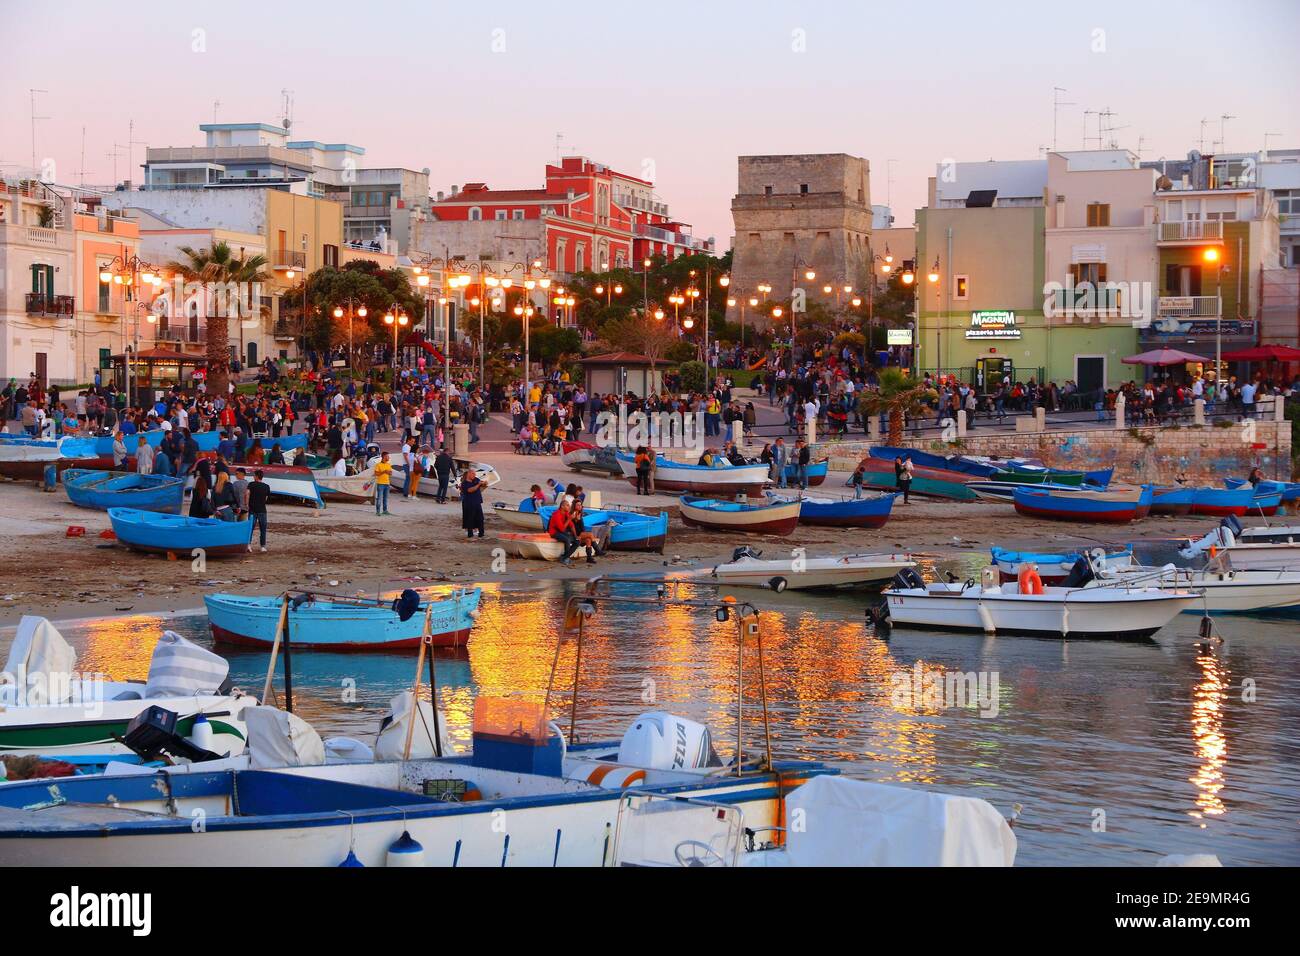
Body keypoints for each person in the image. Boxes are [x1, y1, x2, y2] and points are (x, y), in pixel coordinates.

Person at [546, 497, 582, 567]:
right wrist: (569, 519)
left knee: (577, 541)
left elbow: (571, 526)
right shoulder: (557, 514)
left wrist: (575, 536)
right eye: (567, 505)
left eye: (569, 505)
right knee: (567, 539)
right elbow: (562, 529)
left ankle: (564, 557)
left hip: (562, 532)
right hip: (554, 533)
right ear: (562, 506)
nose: (569, 507)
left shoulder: (566, 513)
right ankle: (565, 559)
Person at [247, 469, 271, 552]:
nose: (253, 477)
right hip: (262, 510)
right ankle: (262, 546)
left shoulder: (251, 484)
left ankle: (248, 545)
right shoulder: (266, 486)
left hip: (252, 509)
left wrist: (247, 504)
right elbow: (266, 498)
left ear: (256, 476)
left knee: (250, 528)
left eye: (254, 475)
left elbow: (247, 493)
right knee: (263, 529)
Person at [460, 468, 486, 539]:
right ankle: (470, 534)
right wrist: (478, 485)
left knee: (480, 518)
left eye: (475, 474)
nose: (474, 475)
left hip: (477, 502)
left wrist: (484, 483)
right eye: (473, 474)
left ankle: (481, 534)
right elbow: (470, 490)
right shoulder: (464, 483)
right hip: (469, 503)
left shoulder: (476, 480)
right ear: (469, 474)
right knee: (470, 519)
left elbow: (481, 485)